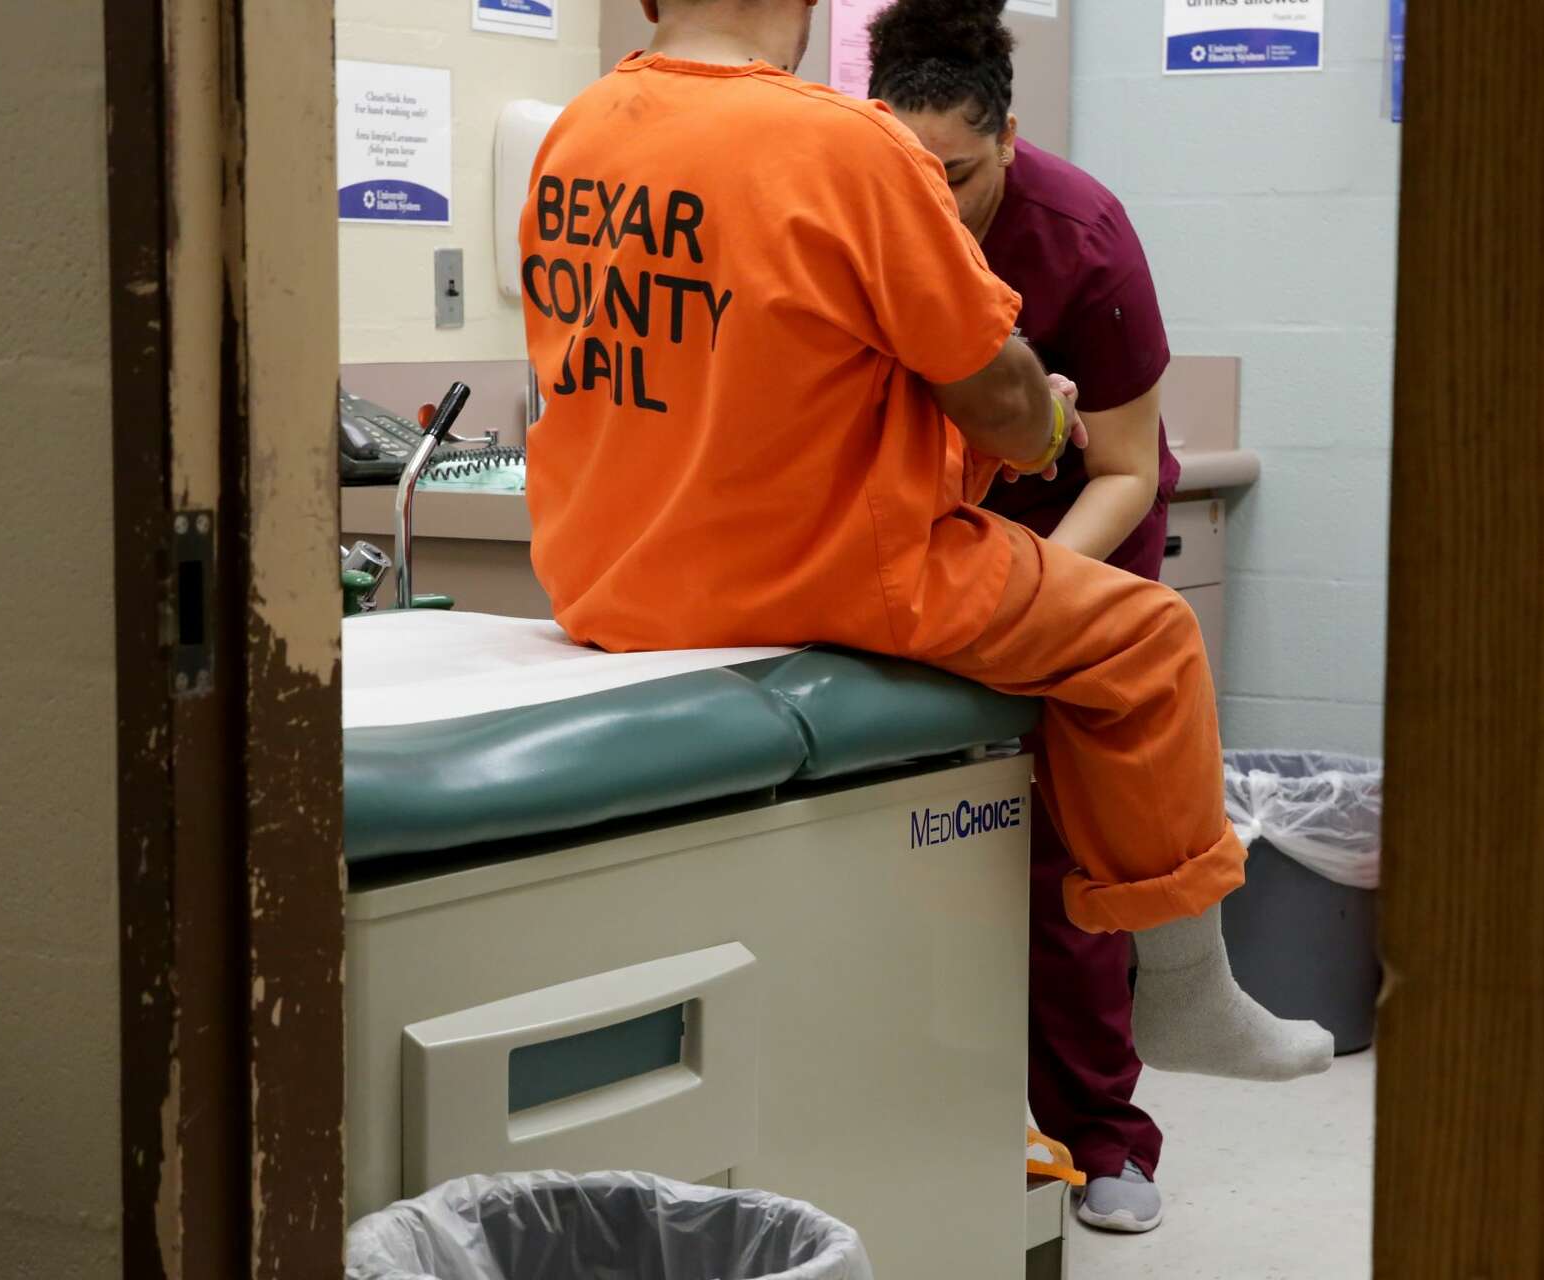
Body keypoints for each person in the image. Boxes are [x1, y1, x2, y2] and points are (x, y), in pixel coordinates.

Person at [517, 0, 1332, 1104]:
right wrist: (1045, 420)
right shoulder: (844, 147)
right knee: (1152, 639)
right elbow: (998, 399)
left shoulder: (581, 129)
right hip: (821, 577)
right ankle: (1185, 988)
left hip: (606, 579)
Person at [866, 0, 1181, 1233]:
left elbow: (1128, 464)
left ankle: (1108, 1136)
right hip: (936, 542)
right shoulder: (862, 206)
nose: (932, 205)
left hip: (1078, 530)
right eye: (909, 173)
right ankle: (942, 1125)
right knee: (914, 849)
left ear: (1009, 139)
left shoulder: (1081, 238)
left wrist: (1029, 596)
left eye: (958, 175)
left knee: (1061, 862)